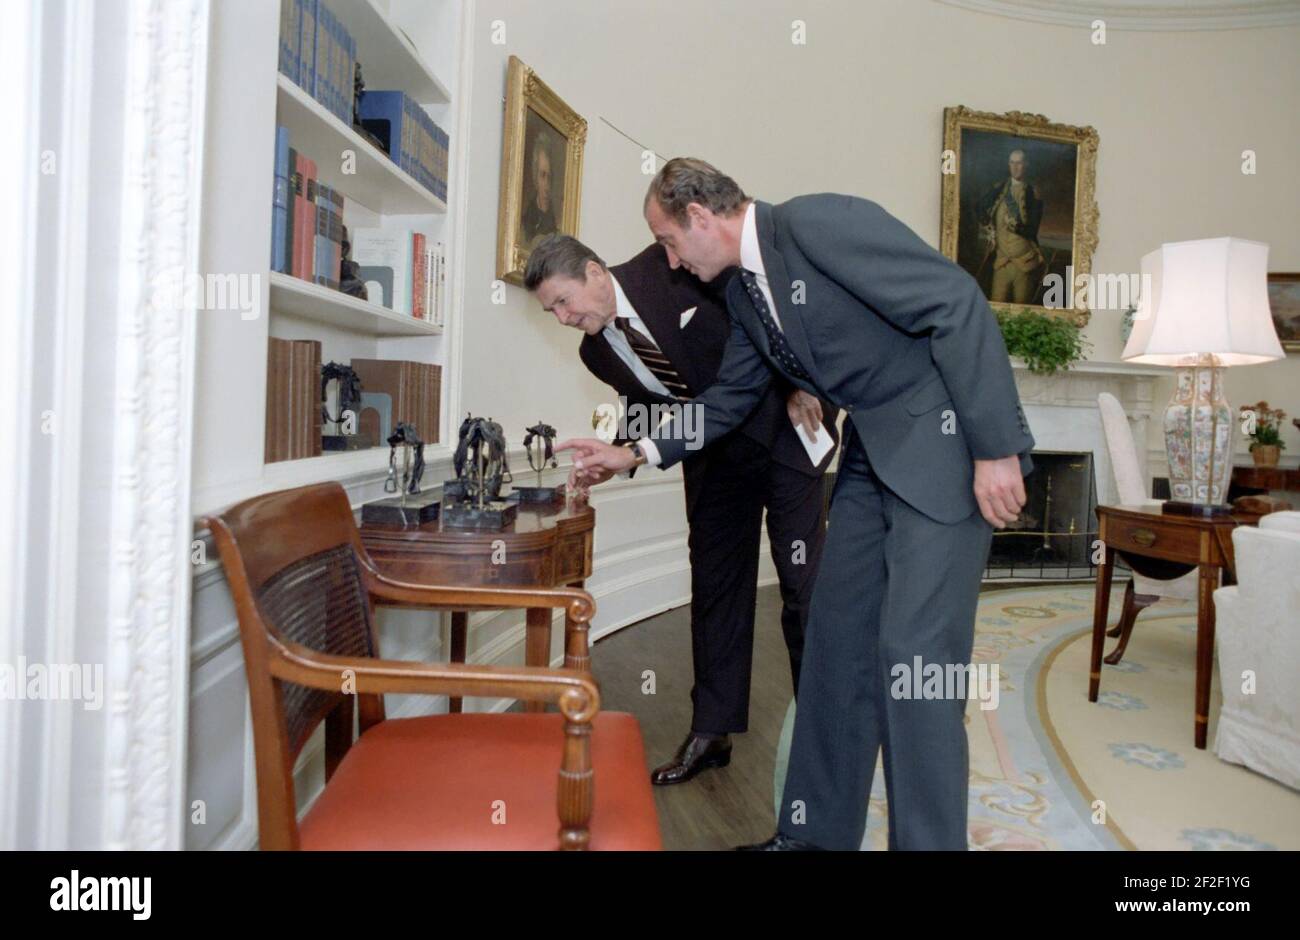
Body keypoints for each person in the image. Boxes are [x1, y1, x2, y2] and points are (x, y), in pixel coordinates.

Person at [558, 158, 1034, 850]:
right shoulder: (746, 296)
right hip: (872, 457)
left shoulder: (817, 223)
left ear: (699, 217)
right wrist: (634, 453)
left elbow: (955, 301)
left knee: (914, 659)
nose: (672, 262)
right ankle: (811, 837)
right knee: (836, 644)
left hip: (947, 446)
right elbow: (724, 402)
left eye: (668, 243)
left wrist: (994, 447)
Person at [524, 233, 837, 785]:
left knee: (802, 585)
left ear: (595, 272)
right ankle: (711, 730)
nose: (562, 317)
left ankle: (823, 732)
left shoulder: (666, 267)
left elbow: (762, 305)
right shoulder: (596, 351)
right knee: (715, 588)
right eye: (552, 310)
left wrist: (799, 380)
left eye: (564, 301)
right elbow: (649, 403)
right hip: (712, 457)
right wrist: (613, 454)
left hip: (782, 429)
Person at [976, 148, 1045, 304]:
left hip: (1025, 264)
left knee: (1022, 311)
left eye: (1019, 163)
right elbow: (979, 207)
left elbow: (1033, 229)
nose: (1015, 167)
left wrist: (1015, 227)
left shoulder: (1033, 193)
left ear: (1025, 165)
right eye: (1012, 163)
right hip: (1001, 262)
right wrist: (989, 227)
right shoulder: (1000, 188)